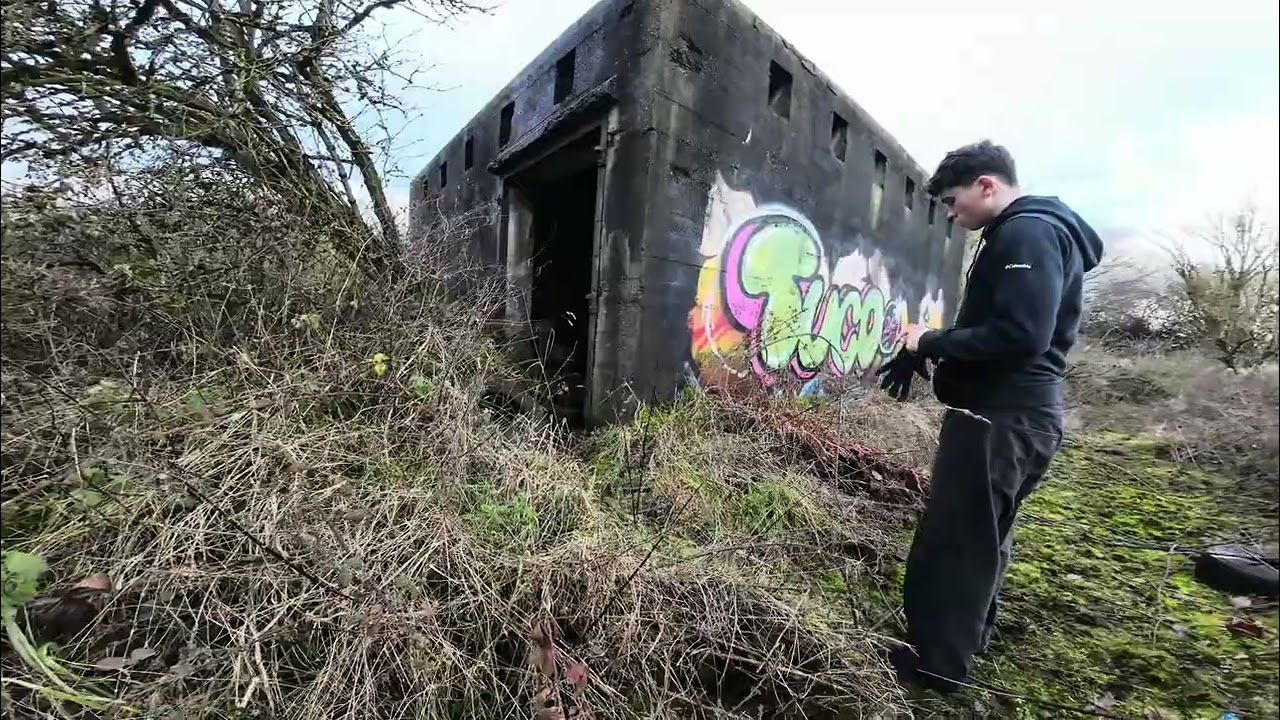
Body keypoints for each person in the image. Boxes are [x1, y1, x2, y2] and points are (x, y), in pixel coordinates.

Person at [887, 140, 1104, 693]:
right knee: (985, 534)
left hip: (1000, 418)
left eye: (956, 202)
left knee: (958, 537)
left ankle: (937, 667)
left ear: (987, 185)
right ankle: (965, 640)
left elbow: (1021, 334)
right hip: (1016, 416)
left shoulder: (1025, 231)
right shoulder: (1036, 231)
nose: (954, 216)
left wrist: (931, 339)